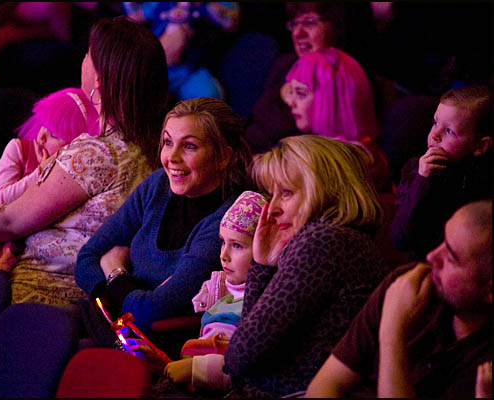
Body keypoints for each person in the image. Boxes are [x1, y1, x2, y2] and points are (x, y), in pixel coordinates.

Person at [0, 15, 169, 304]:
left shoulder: (97, 153)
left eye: (88, 54)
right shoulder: (156, 151)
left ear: (98, 79)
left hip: (31, 296)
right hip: (70, 304)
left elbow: (11, 220)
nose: (83, 59)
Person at [222, 135, 390, 397]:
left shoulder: (324, 241)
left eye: (286, 193)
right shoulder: (337, 238)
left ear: (325, 190)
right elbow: (247, 351)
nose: (273, 208)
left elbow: (240, 357)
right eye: (272, 193)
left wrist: (259, 267)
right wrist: (263, 264)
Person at [74, 97, 253, 342]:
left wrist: (115, 272)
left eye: (189, 146)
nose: (172, 158)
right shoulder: (157, 185)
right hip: (107, 324)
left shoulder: (228, 219)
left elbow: (151, 314)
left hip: (154, 347)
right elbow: (86, 259)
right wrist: (132, 298)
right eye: (168, 142)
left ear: (223, 157)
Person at [306, 199, 492, 398]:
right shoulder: (408, 285)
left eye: (452, 258)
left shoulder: (485, 369)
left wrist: (392, 332)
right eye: (443, 241)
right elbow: (324, 386)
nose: (431, 257)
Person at [0, 88, 99, 270]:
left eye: (54, 134)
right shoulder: (18, 149)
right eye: (43, 125)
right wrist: (41, 173)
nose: (42, 136)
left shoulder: (69, 174)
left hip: (18, 248)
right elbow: (2, 202)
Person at [144, 190, 265, 395]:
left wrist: (194, 369)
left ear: (263, 248)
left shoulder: (264, 304)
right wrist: (164, 363)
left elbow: (249, 369)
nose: (224, 255)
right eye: (223, 242)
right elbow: (203, 351)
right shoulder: (220, 292)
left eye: (237, 245)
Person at [243, 2, 378, 155]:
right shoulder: (284, 64)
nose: (297, 33)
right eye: (294, 24)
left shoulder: (344, 76)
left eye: (309, 23)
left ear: (336, 26)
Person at [390, 85, 492, 261]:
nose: (435, 134)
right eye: (435, 122)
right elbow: (400, 238)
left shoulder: (483, 181)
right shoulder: (416, 170)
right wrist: (422, 181)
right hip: (424, 266)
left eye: (449, 131)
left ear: (481, 146)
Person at [283, 47, 392, 193]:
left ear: (330, 99)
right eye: (291, 92)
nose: (291, 102)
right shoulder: (336, 147)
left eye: (301, 93)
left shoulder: (351, 158)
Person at [122, 2, 240, 102]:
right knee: (139, 93)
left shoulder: (205, 8)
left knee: (208, 96)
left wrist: (219, 12)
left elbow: (231, 21)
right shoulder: (159, 5)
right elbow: (135, 16)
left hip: (191, 68)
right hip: (156, 67)